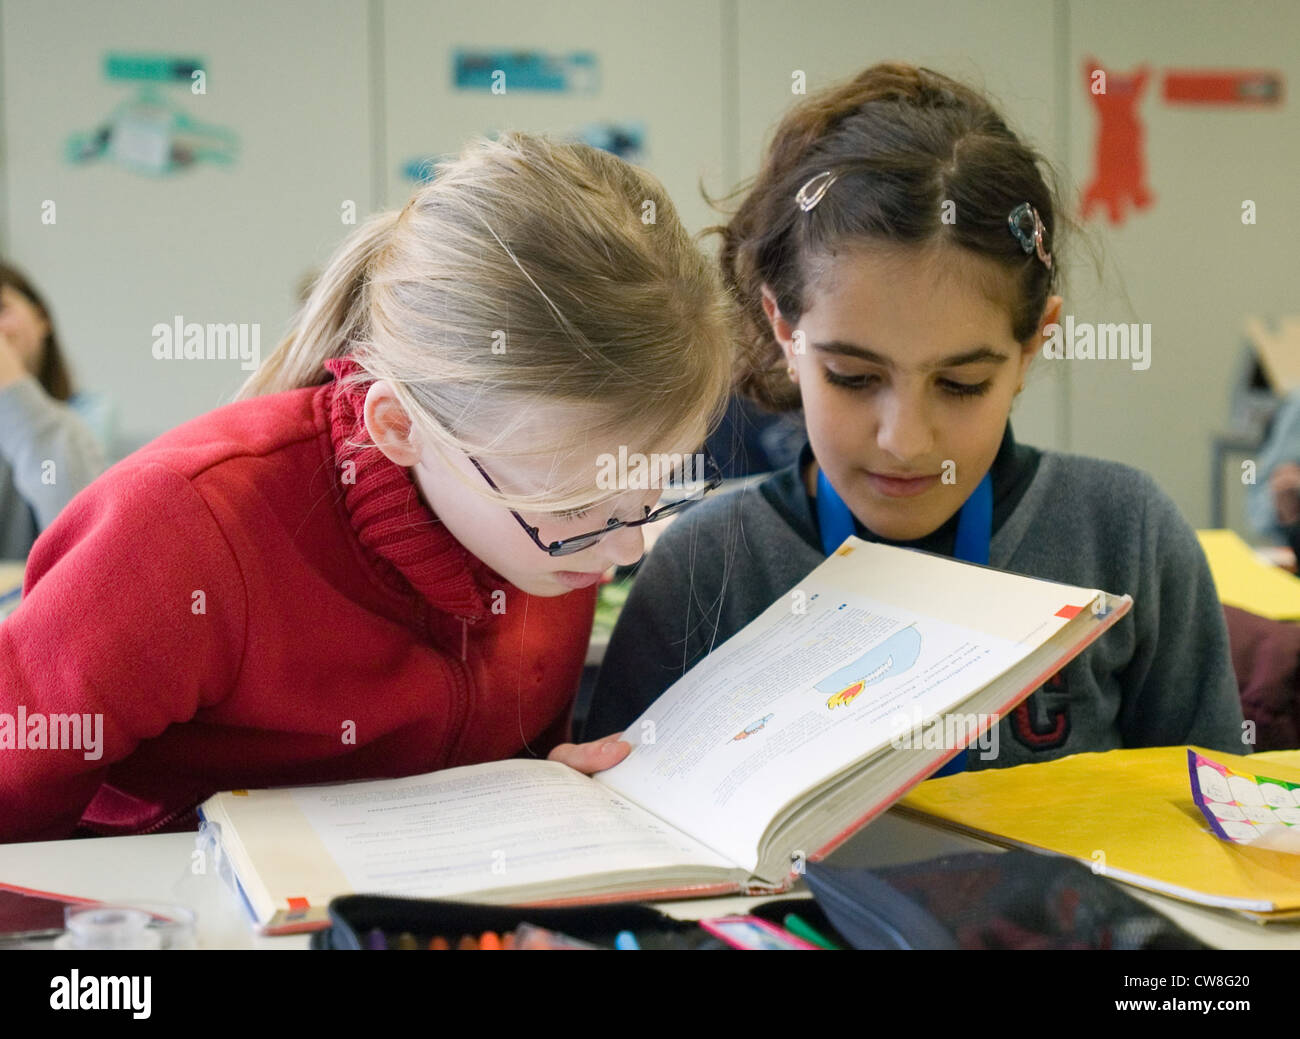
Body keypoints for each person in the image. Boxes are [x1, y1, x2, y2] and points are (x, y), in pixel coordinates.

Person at [0, 132, 734, 842]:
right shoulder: (182, 528)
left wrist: (543, 787)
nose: (629, 542)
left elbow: (488, 761)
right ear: (398, 425)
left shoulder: (552, 535)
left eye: (656, 485)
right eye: (576, 504)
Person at [585, 63, 1244, 768]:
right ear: (783, 328)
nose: (904, 440)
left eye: (960, 383)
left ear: (1030, 347)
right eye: (854, 376)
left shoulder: (1124, 535)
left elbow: (1212, 823)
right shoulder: (708, 565)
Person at [0, 263, 108, 559]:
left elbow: (82, 550)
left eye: (2, 308)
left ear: (41, 318)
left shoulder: (87, 420)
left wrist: (10, 386)